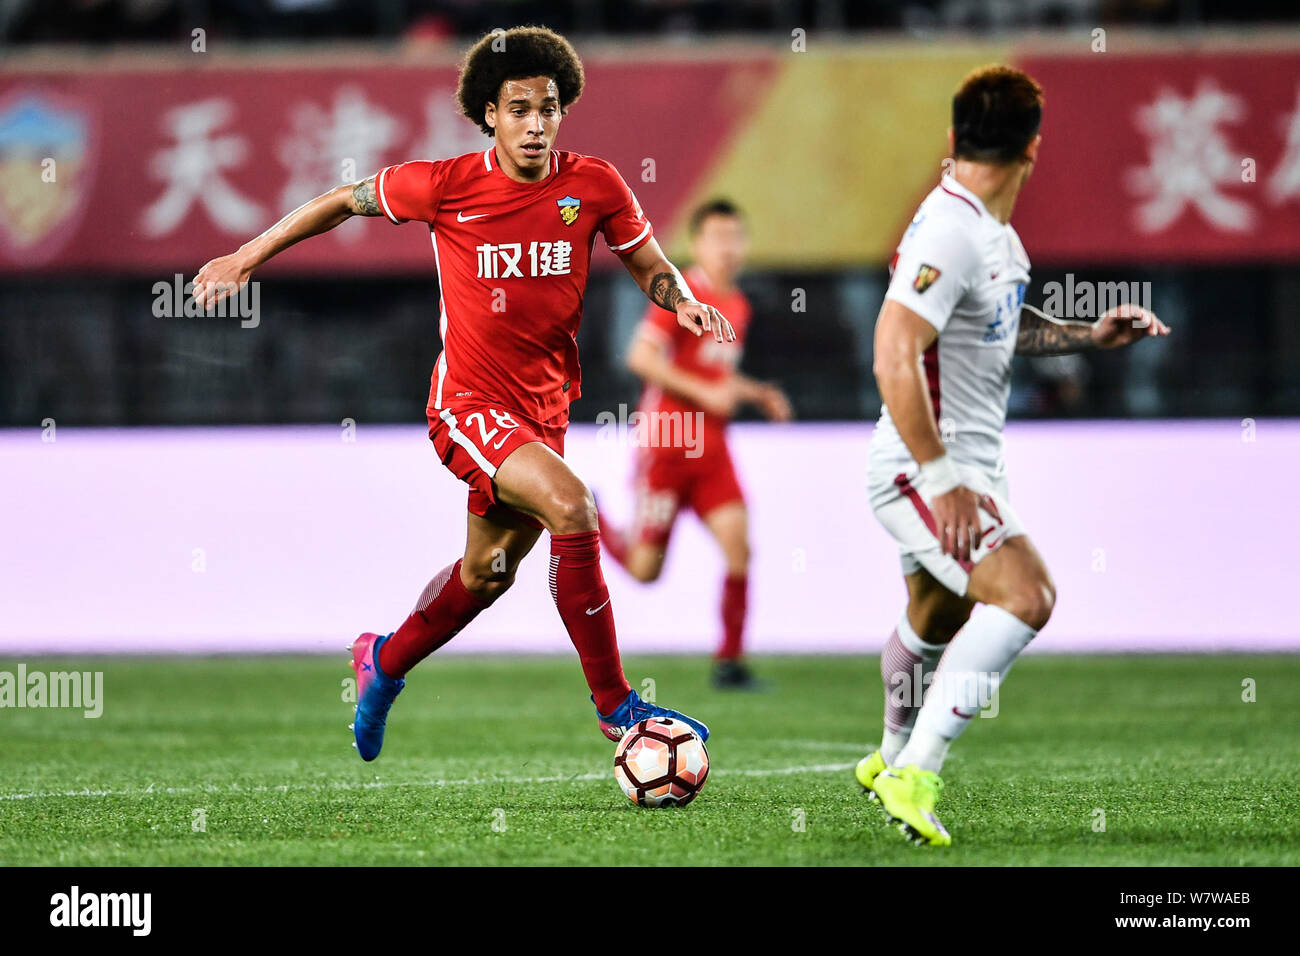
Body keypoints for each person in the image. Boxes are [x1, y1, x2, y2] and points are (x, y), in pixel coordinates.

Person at [192, 26, 736, 759]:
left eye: (548, 107)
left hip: (544, 411)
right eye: (519, 109)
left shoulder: (595, 185)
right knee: (574, 507)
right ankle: (616, 707)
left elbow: (646, 260)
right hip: (469, 406)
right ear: (488, 114)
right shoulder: (444, 185)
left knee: (486, 575)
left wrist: (681, 302)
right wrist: (246, 256)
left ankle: (382, 661)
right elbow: (341, 200)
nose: (536, 123)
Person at [857, 65, 1171, 845]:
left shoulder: (988, 232)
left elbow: (997, 321)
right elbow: (894, 354)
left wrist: (1085, 335)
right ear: (1034, 145)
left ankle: (885, 759)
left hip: (963, 467)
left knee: (938, 613)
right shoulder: (948, 230)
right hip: (923, 469)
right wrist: (942, 481)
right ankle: (914, 772)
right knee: (1027, 597)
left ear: (958, 135)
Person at [598, 199, 791, 689]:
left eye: (734, 237)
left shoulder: (737, 305)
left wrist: (756, 391)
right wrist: (704, 392)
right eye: (716, 238)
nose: (727, 248)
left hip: (712, 449)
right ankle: (595, 520)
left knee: (740, 549)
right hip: (667, 446)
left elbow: (714, 371)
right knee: (645, 572)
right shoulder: (680, 295)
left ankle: (729, 663)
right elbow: (640, 357)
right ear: (698, 244)